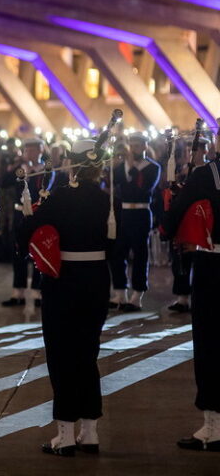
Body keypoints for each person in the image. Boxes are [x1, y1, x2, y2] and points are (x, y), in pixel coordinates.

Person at [19, 139, 118, 456]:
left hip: (63, 283)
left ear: (72, 165)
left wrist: (28, 212)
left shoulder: (60, 197)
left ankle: (65, 433)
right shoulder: (106, 199)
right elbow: (120, 242)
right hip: (97, 281)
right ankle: (90, 432)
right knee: (87, 355)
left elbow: (30, 232)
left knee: (62, 357)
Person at [164, 140, 220, 452]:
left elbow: (174, 217)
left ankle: (213, 427)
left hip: (214, 265)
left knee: (211, 344)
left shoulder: (205, 174)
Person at [110, 132, 161, 311]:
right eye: (132, 145)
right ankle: (120, 292)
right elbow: (113, 184)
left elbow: (141, 188)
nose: (133, 148)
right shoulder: (121, 166)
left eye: (138, 145)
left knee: (140, 254)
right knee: (118, 252)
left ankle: (137, 295)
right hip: (124, 213)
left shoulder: (153, 168)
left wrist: (130, 167)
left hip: (141, 213)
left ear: (145, 146)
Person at [2, 138, 54, 307]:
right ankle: (18, 291)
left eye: (33, 149)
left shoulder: (46, 170)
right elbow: (4, 182)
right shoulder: (19, 169)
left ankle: (37, 292)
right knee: (19, 253)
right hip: (20, 215)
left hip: (37, 215)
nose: (30, 153)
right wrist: (17, 168)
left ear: (40, 151)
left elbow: (44, 189)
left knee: (37, 252)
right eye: (27, 149)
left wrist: (32, 171)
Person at [167, 137, 208, 313]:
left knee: (199, 260)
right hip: (185, 217)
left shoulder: (209, 171)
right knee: (180, 258)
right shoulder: (184, 171)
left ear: (205, 151)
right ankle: (182, 297)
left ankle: (199, 296)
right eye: (190, 150)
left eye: (196, 150)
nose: (192, 153)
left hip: (201, 217)